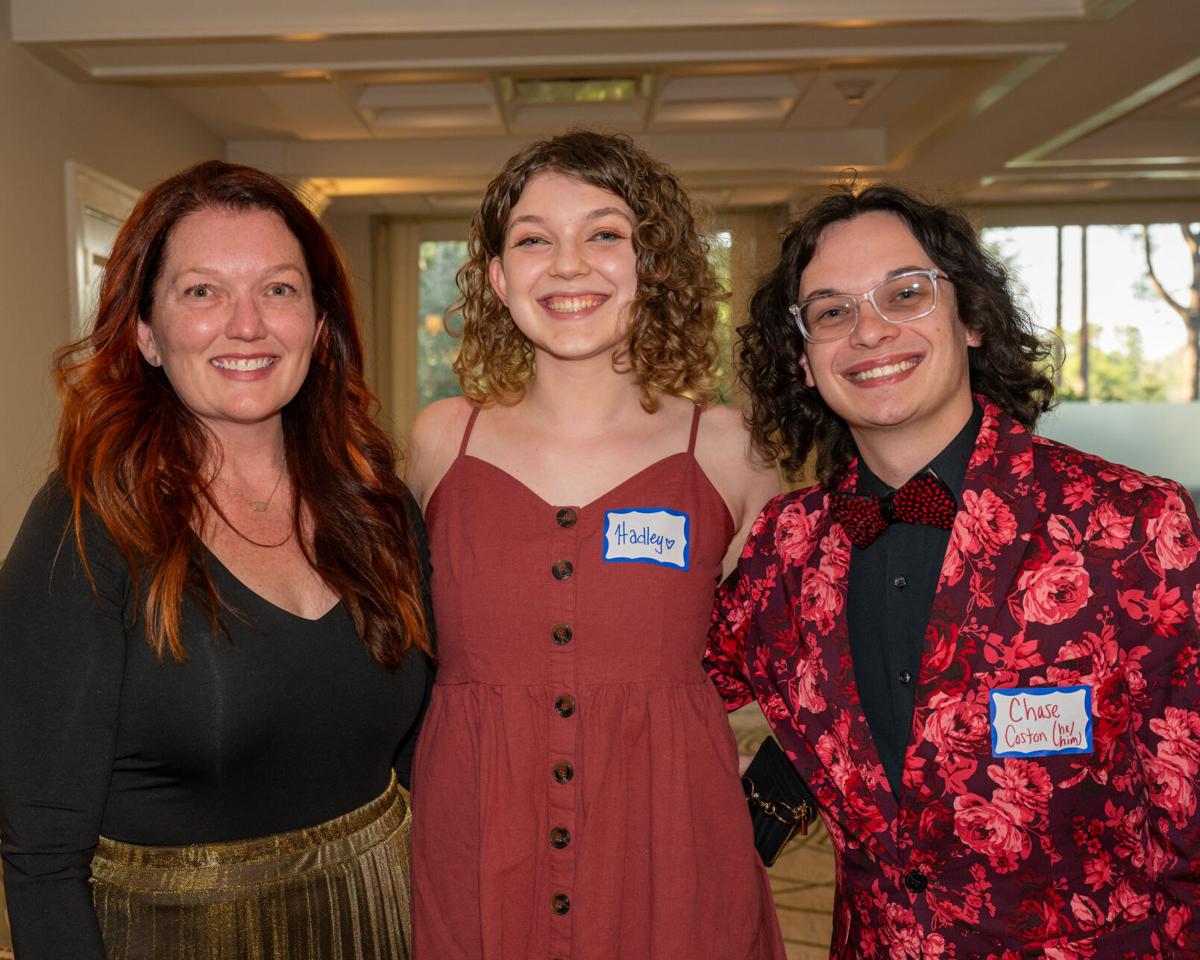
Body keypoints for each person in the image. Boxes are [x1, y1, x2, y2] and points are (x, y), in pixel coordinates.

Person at [705, 182, 1200, 957]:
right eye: (832, 311)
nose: (870, 330)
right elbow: (653, 681)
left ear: (970, 318)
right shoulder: (786, 547)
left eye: (906, 294)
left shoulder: (1135, 529)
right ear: (803, 360)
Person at [0, 160, 432, 960]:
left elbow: (420, 761)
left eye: (278, 289)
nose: (247, 325)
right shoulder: (86, 530)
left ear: (319, 322)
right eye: (202, 292)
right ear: (144, 332)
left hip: (384, 928)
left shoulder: (378, 508)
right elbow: (42, 862)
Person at [404, 130, 785, 959]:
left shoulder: (727, 450)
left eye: (605, 234)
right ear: (500, 278)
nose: (569, 265)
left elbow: (821, 648)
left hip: (670, 847)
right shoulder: (440, 445)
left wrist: (775, 804)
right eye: (535, 239)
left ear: (652, 263)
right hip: (476, 843)